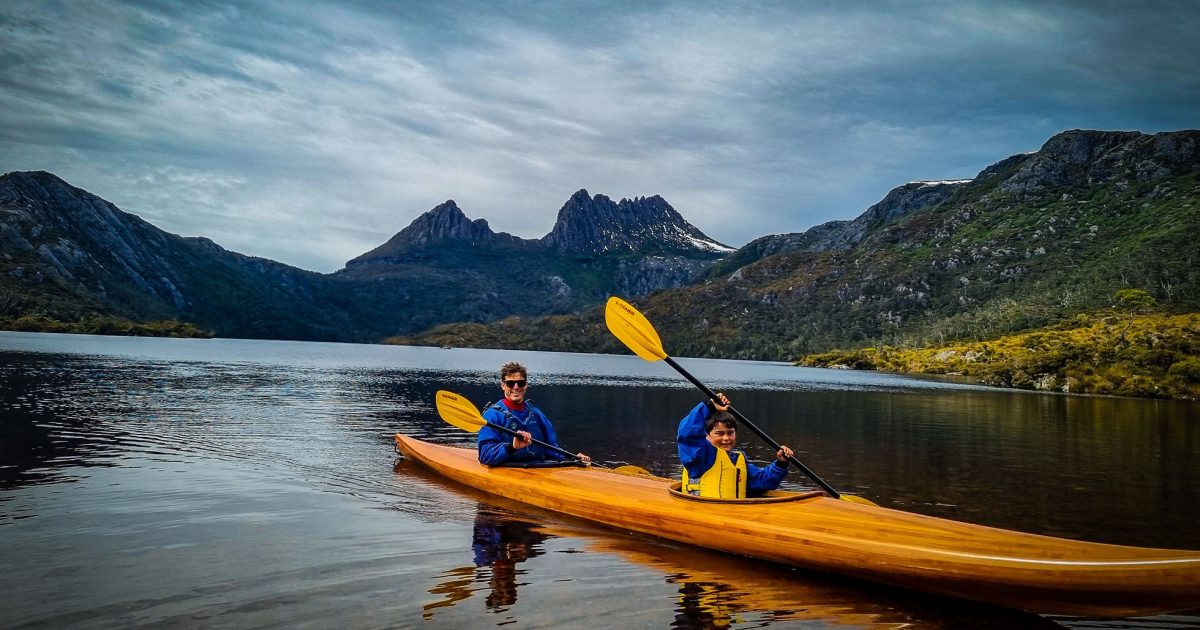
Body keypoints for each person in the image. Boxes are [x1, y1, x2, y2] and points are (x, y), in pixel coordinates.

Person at [676, 392, 793, 498]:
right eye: (719, 434)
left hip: (732, 515)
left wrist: (781, 463)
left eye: (730, 433)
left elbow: (763, 480)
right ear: (707, 436)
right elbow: (687, 433)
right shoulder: (700, 457)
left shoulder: (736, 459)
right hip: (706, 513)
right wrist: (709, 406)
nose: (726, 438)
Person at [477, 361, 590, 466]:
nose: (516, 387)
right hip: (508, 470)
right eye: (510, 383)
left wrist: (573, 458)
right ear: (503, 385)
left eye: (520, 383)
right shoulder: (492, 415)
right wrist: (512, 447)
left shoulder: (536, 413)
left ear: (526, 385)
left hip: (538, 468)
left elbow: (552, 448)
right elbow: (485, 456)